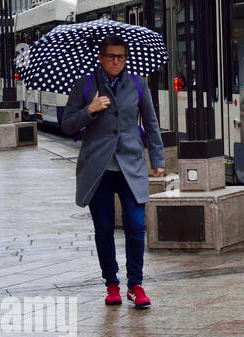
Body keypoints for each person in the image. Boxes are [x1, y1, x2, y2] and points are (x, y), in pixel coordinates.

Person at [60, 36, 166, 309]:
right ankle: (111, 284)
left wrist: (157, 159)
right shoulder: (85, 85)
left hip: (131, 166)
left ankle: (136, 285)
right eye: (110, 56)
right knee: (104, 229)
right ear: (100, 58)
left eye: (120, 56)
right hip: (98, 169)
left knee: (136, 226)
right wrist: (90, 110)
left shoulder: (139, 84)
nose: (115, 61)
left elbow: (152, 125)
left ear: (126, 58)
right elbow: (68, 125)